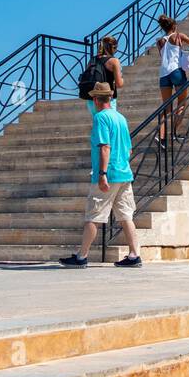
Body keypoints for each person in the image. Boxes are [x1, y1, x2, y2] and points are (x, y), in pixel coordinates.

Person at [59, 82, 141, 268]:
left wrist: (102, 173)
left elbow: (104, 146)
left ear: (95, 99)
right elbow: (128, 150)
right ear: (110, 98)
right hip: (124, 174)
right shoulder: (121, 118)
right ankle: (134, 254)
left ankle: (81, 256)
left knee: (93, 215)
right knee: (126, 215)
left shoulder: (101, 118)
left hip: (109, 174)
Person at [155, 14, 189, 143]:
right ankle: (174, 133)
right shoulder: (178, 36)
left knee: (166, 108)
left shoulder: (159, 41)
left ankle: (161, 136)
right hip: (176, 72)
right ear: (174, 26)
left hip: (163, 75)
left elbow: (164, 56)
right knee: (181, 104)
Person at [87, 34, 123, 110]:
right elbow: (119, 84)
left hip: (92, 100)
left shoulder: (92, 60)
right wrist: (122, 78)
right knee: (108, 121)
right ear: (113, 47)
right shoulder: (114, 61)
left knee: (98, 120)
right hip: (107, 100)